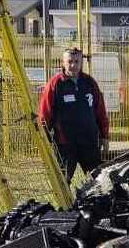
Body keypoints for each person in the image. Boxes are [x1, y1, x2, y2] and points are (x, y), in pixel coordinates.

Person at [38, 47, 110, 183]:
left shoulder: (89, 83)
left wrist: (104, 136)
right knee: (63, 181)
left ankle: (97, 203)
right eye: (70, 61)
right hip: (65, 143)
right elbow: (44, 114)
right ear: (63, 63)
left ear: (81, 62)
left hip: (89, 142)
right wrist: (44, 139)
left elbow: (100, 111)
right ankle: (66, 204)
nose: (73, 65)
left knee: (99, 180)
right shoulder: (55, 84)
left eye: (77, 61)